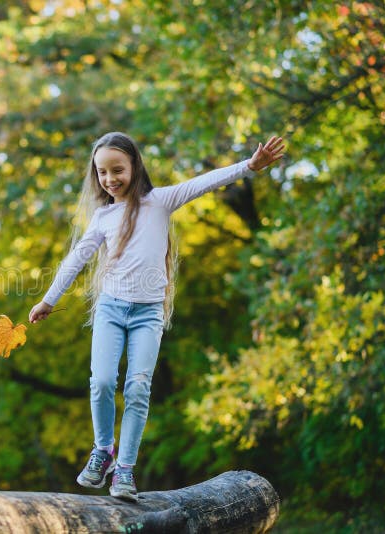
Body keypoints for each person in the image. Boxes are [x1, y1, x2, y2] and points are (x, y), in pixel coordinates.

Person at [28, 132, 285, 501]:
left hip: (147, 314)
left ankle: (126, 471)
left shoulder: (159, 201)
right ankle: (103, 451)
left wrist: (250, 165)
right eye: (102, 172)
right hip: (111, 310)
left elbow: (205, 182)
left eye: (118, 169)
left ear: (134, 166)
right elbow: (77, 259)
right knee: (101, 382)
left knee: (137, 387)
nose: (110, 179)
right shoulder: (103, 216)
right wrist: (48, 300)